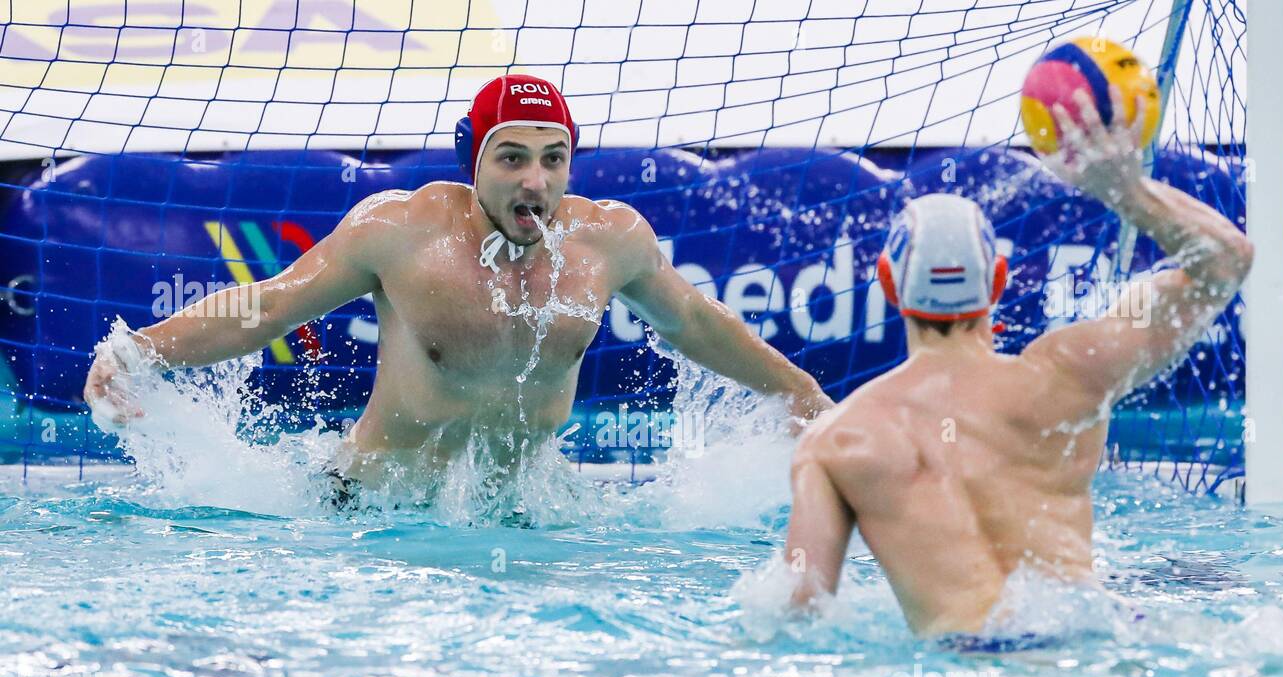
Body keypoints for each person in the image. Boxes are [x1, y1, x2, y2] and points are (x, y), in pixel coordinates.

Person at [84, 74, 830, 503]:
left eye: (553, 158)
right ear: (473, 158)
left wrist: (804, 395)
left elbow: (695, 321)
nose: (534, 181)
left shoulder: (610, 242)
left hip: (524, 514)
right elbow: (268, 306)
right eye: (511, 158)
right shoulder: (401, 231)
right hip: (371, 513)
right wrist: (139, 349)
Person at [782, 89, 1253, 637]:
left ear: (888, 285)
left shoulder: (837, 441)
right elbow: (1225, 262)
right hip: (1094, 645)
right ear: (999, 281)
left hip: (969, 666)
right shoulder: (1070, 374)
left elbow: (797, 606)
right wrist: (1126, 191)